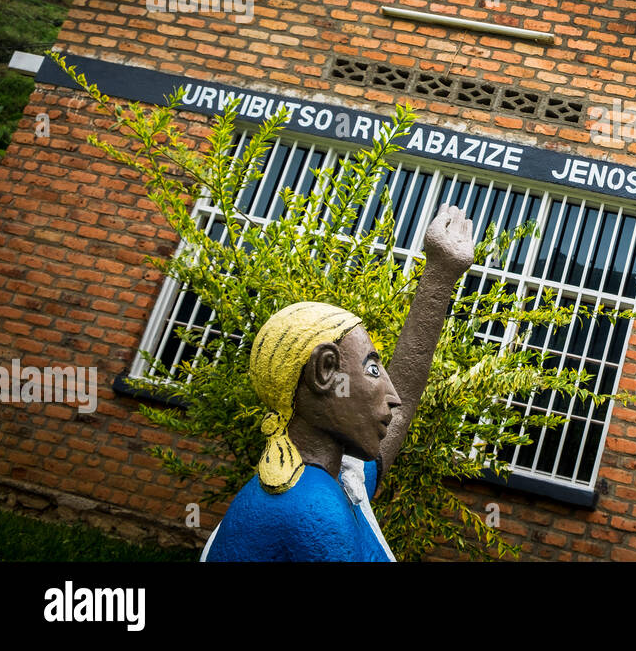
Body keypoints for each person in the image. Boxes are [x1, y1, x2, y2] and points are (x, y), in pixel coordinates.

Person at [202, 205, 474, 561]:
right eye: (372, 370)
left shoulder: (334, 476)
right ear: (325, 372)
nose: (391, 397)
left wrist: (440, 274)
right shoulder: (314, 510)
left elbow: (402, 404)